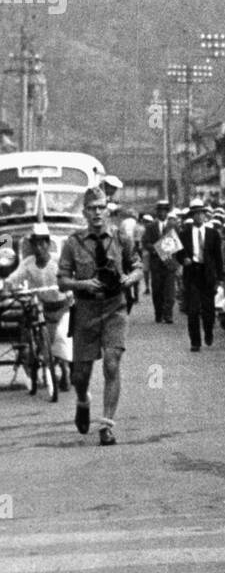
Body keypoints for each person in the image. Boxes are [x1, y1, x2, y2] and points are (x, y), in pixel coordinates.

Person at [58, 186, 143, 446]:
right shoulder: (73, 243)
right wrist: (84, 284)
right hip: (85, 310)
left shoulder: (120, 238)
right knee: (80, 375)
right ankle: (83, 401)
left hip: (114, 307)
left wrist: (131, 278)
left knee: (112, 363)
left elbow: (138, 265)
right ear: (84, 212)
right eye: (92, 208)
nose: (97, 213)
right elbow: (62, 280)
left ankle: (106, 425)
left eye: (101, 207)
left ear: (107, 210)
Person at [3, 222, 74, 394]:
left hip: (64, 306)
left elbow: (72, 275)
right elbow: (13, 279)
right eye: (36, 243)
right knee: (41, 340)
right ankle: (43, 365)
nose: (40, 247)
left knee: (61, 337)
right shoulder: (28, 263)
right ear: (32, 245)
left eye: (43, 243)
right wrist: (8, 288)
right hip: (44, 307)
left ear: (48, 244)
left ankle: (66, 371)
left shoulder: (58, 261)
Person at [176, 198, 223, 351]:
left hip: (207, 273)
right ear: (192, 216)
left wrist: (220, 277)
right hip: (192, 273)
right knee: (193, 310)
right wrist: (184, 259)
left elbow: (218, 256)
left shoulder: (213, 233)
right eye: (196, 214)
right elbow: (177, 252)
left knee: (208, 309)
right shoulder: (184, 234)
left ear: (205, 215)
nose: (199, 216)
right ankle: (195, 341)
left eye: (201, 213)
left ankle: (208, 332)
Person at [144, 200, 176, 323]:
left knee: (170, 291)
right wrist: (156, 249)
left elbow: (178, 243)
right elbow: (145, 242)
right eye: (160, 211)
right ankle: (158, 313)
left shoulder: (174, 225)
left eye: (164, 211)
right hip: (156, 262)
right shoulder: (150, 226)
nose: (162, 213)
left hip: (169, 262)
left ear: (167, 212)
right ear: (157, 212)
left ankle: (168, 315)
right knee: (157, 290)